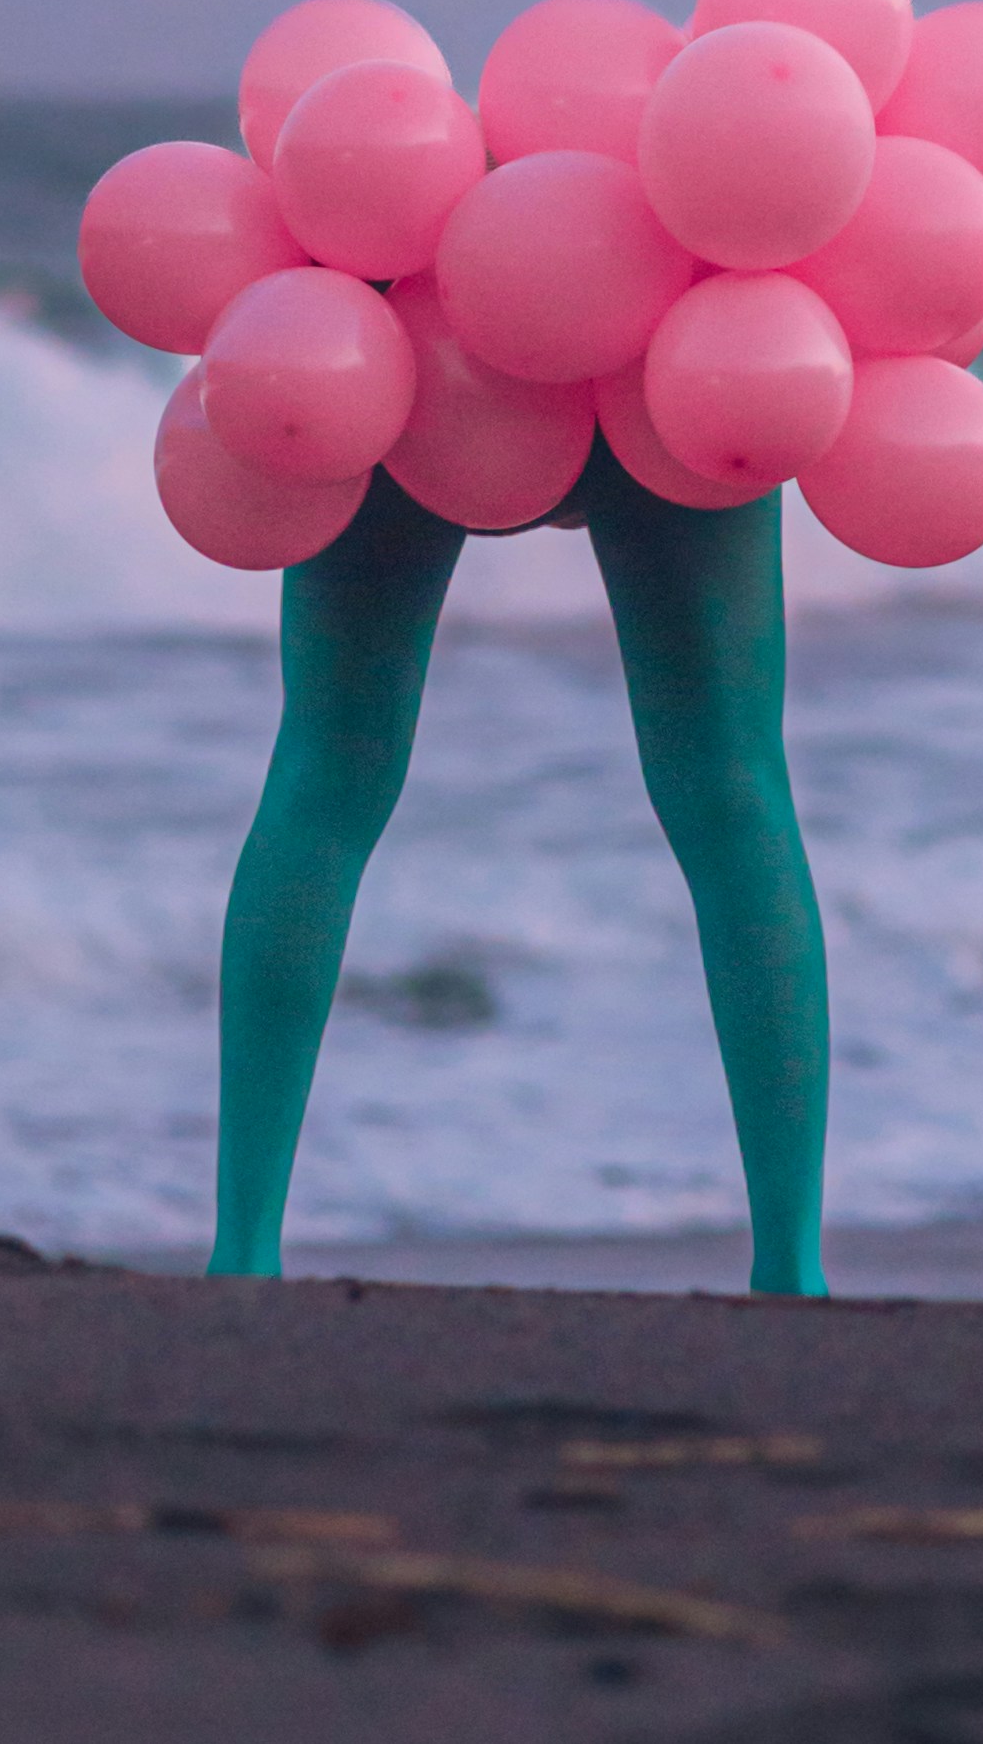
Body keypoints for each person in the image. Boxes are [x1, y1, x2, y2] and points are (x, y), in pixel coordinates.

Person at [207, 431, 828, 1292]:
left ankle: (242, 1253)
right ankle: (792, 1267)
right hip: (661, 341)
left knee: (327, 771)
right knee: (731, 783)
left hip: (405, 322)